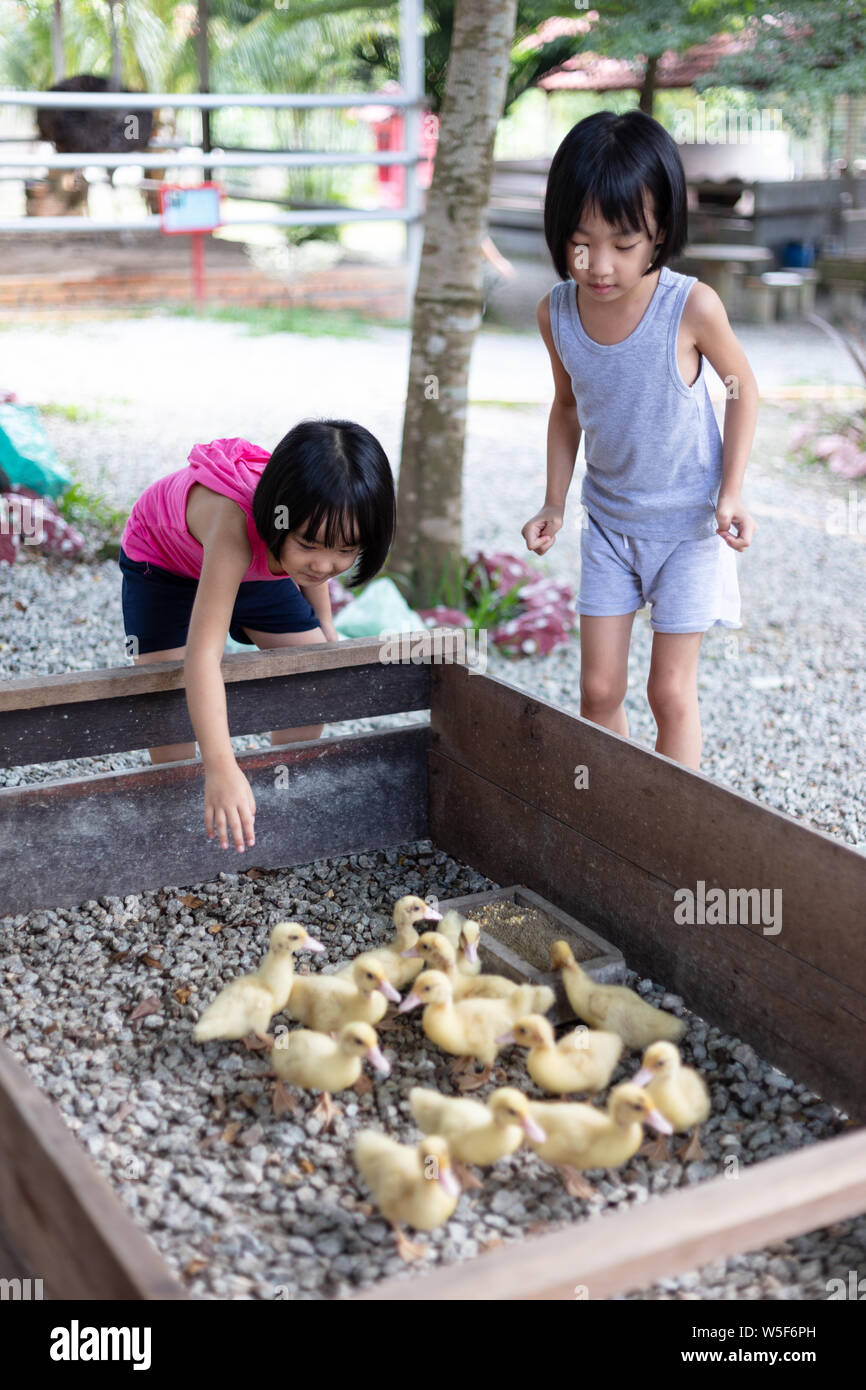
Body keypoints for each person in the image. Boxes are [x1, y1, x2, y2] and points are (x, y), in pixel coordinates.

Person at [522, 109, 758, 770]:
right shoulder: (557, 313)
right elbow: (567, 408)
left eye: (623, 244)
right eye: (581, 242)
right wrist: (553, 502)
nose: (599, 265)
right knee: (598, 690)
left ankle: (669, 836)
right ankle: (610, 824)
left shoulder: (691, 306)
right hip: (609, 530)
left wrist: (732, 491)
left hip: (688, 532)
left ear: (661, 232)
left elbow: (744, 389)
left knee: (668, 692)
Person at [119, 420, 395, 849]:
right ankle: (178, 823)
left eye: (345, 550)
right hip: (164, 564)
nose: (324, 565)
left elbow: (314, 571)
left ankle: (267, 795)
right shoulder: (234, 526)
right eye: (310, 544)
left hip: (260, 565)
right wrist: (222, 766)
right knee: (169, 702)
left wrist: (326, 628)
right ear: (279, 517)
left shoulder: (301, 538)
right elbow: (203, 657)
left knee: (313, 679)